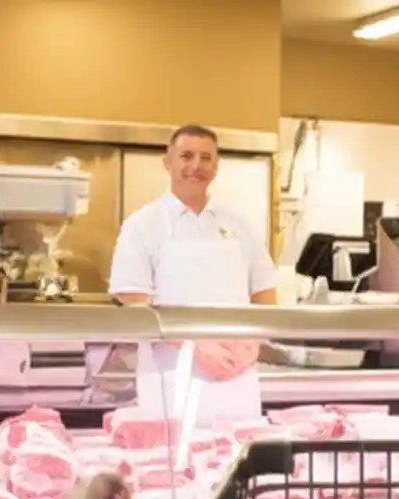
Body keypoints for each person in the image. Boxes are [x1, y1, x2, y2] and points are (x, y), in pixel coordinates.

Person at [109, 124, 277, 420]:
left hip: (237, 380)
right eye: (186, 156)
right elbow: (134, 304)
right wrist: (196, 346)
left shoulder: (240, 225)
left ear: (216, 166)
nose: (196, 166)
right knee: (171, 449)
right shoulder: (141, 225)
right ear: (168, 162)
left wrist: (252, 343)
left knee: (239, 448)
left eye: (206, 158)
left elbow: (265, 294)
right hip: (171, 379)